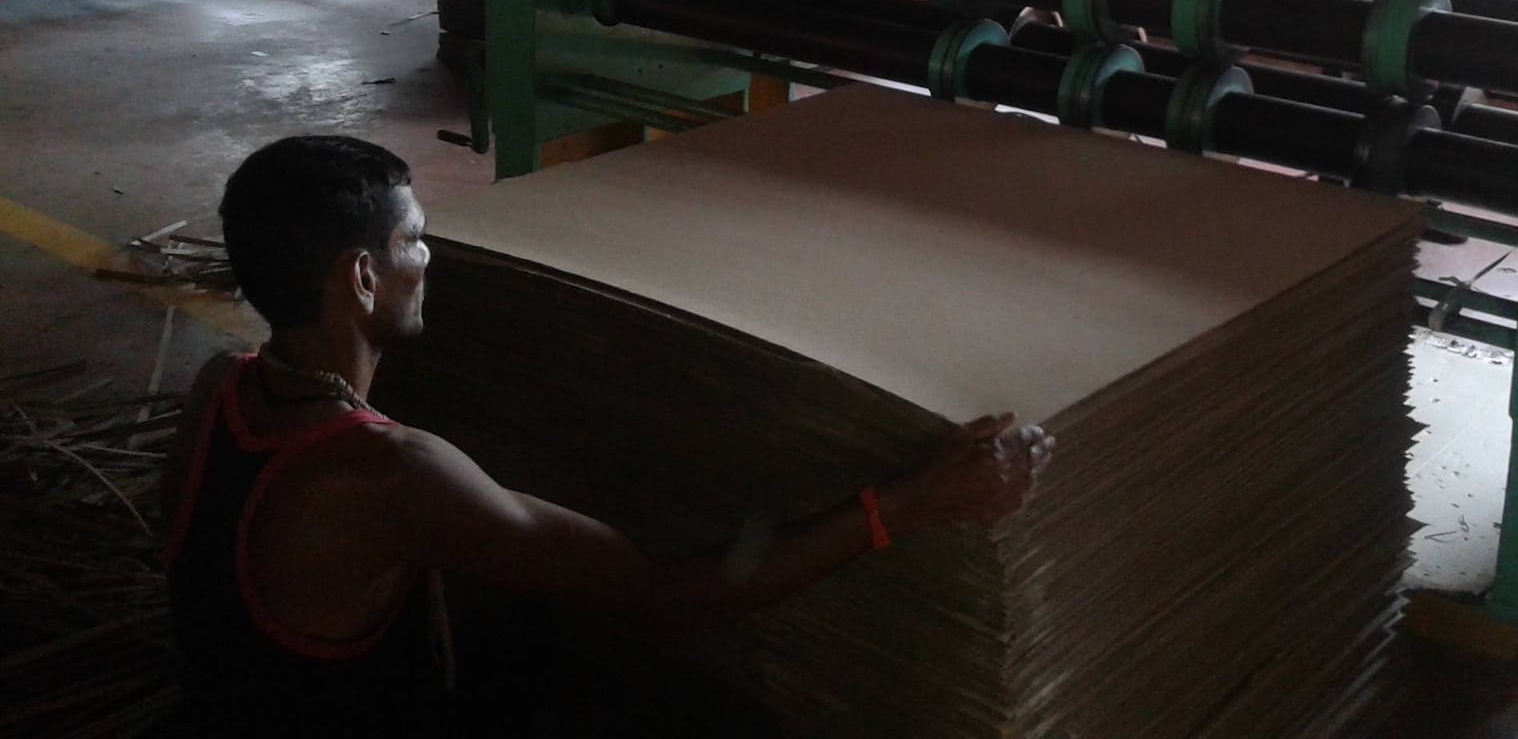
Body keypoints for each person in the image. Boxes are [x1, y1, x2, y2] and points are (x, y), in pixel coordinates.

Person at [161, 136, 1051, 736]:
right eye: (415, 241)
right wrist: (910, 501)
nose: (430, 259)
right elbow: (668, 597)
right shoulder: (390, 474)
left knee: (519, 638)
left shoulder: (220, 388)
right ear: (362, 277)